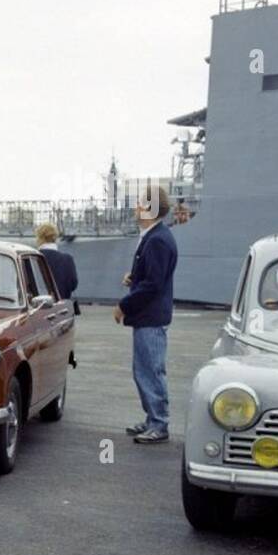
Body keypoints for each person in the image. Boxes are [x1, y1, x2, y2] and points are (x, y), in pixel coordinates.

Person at [114, 185, 179, 444]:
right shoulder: (156, 236)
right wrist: (135, 278)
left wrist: (124, 305)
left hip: (150, 318)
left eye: (140, 203)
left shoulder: (157, 240)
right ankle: (152, 418)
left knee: (150, 371)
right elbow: (152, 277)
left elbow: (153, 285)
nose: (136, 207)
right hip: (150, 317)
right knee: (143, 370)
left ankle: (159, 424)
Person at [35, 222, 79, 304]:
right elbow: (73, 284)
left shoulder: (33, 258)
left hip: (37, 308)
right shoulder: (67, 259)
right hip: (60, 307)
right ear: (55, 237)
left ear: (39, 238)